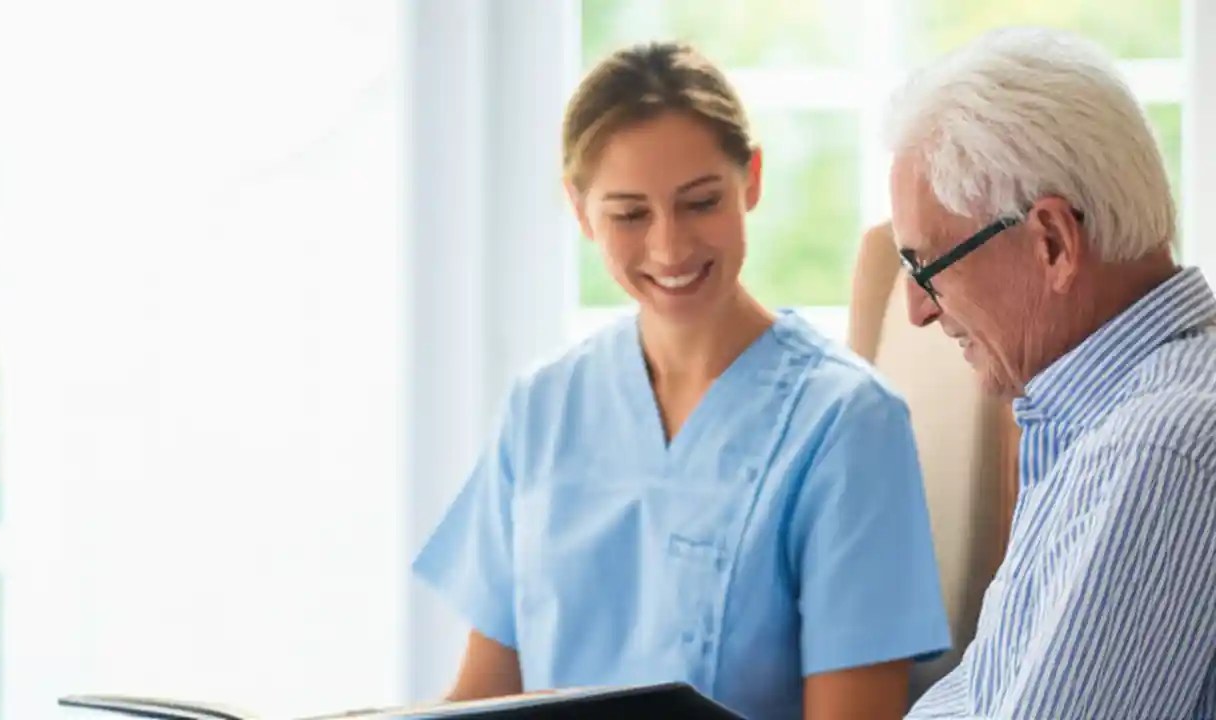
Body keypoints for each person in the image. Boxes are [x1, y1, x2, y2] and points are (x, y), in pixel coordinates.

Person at [412, 42, 950, 720]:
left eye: (700, 203)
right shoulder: (543, 408)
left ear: (750, 179)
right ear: (580, 212)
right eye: (630, 214)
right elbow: (482, 701)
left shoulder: (847, 423)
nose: (670, 247)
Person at [880, 27, 1216, 719]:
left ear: (1053, 243)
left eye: (927, 267)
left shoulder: (1156, 449)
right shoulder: (1098, 422)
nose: (915, 308)